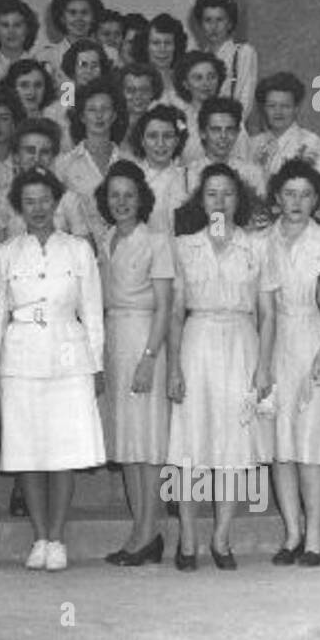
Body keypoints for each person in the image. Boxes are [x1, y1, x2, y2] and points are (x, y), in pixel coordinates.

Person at [0, 168, 105, 571]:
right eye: (29, 201)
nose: (38, 208)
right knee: (29, 451)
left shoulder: (78, 250)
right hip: (20, 359)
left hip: (69, 357)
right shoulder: (4, 253)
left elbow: (92, 310)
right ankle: (39, 537)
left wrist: (98, 363)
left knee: (64, 451)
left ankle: (58, 537)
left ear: (56, 203)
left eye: (44, 200)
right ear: (20, 207)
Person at [166, 163, 277, 570]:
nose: (220, 201)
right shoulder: (183, 247)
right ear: (201, 200)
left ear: (238, 199)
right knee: (189, 443)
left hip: (241, 343)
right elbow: (175, 314)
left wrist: (263, 368)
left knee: (235, 443)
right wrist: (174, 369)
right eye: (211, 193)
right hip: (196, 344)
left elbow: (268, 313)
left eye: (227, 193)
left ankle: (222, 537)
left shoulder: (258, 246)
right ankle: (188, 537)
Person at [266, 159, 320, 567]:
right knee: (281, 449)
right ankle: (292, 534)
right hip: (275, 343)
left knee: (310, 448)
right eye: (289, 193)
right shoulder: (261, 240)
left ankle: (316, 536)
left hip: (317, 343)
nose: (296, 201)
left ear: (316, 200)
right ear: (277, 197)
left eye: (305, 194)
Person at [95, 161, 173, 566]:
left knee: (148, 442)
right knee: (127, 444)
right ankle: (141, 531)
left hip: (144, 340)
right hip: (113, 341)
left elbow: (164, 307)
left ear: (141, 199)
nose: (121, 202)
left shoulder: (156, 241)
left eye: (129, 195)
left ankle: (148, 530)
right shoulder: (105, 238)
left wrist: (149, 357)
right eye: (114, 195)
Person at [0, 117, 89, 248]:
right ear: (16, 156)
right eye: (30, 151)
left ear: (53, 157)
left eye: (44, 152)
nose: (37, 158)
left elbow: (86, 251)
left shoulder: (69, 198)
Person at [56, 80, 130, 243]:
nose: (98, 116)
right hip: (82, 252)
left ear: (114, 115)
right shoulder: (64, 165)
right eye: (91, 110)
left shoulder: (129, 163)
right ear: (82, 116)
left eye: (105, 109)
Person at [193, 0, 258, 129]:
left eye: (219, 20)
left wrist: (225, 130)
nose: (214, 27)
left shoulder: (243, 53)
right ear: (200, 24)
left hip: (232, 132)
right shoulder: (195, 60)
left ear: (229, 23)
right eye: (208, 20)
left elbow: (245, 103)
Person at [250, 72, 320, 179]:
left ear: (296, 108)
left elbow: (319, 181)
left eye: (285, 106)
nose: (278, 112)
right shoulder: (253, 143)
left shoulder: (311, 142)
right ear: (264, 108)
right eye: (271, 106)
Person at [186, 96, 267, 202]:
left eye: (229, 129)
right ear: (203, 133)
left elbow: (260, 214)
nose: (223, 136)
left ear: (238, 132)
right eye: (216, 130)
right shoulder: (188, 175)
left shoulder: (252, 173)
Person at [129, 104, 190, 235]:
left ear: (177, 141)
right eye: (152, 136)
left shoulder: (190, 177)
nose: (160, 143)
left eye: (167, 136)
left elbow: (216, 214)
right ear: (142, 141)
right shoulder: (130, 180)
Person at [168, 50, 232, 165]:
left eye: (211, 77)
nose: (206, 83)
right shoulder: (178, 120)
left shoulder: (231, 117)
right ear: (185, 84)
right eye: (198, 78)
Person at [37, 0, 106, 82]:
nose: (79, 19)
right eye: (72, 13)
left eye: (85, 12)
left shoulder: (110, 54)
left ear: (94, 17)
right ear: (62, 18)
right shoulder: (46, 57)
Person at [4, 57, 71, 150]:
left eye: (38, 85)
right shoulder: (4, 122)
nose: (32, 92)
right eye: (24, 85)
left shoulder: (58, 120)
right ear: (12, 89)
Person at [0, 0, 39, 86]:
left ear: (27, 29)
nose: (11, 32)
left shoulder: (41, 67)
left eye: (17, 25)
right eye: (5, 25)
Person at [144, 13, 188, 102]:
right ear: (146, 47)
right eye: (156, 43)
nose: (162, 49)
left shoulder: (186, 81)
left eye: (168, 43)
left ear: (176, 46)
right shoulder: (136, 81)